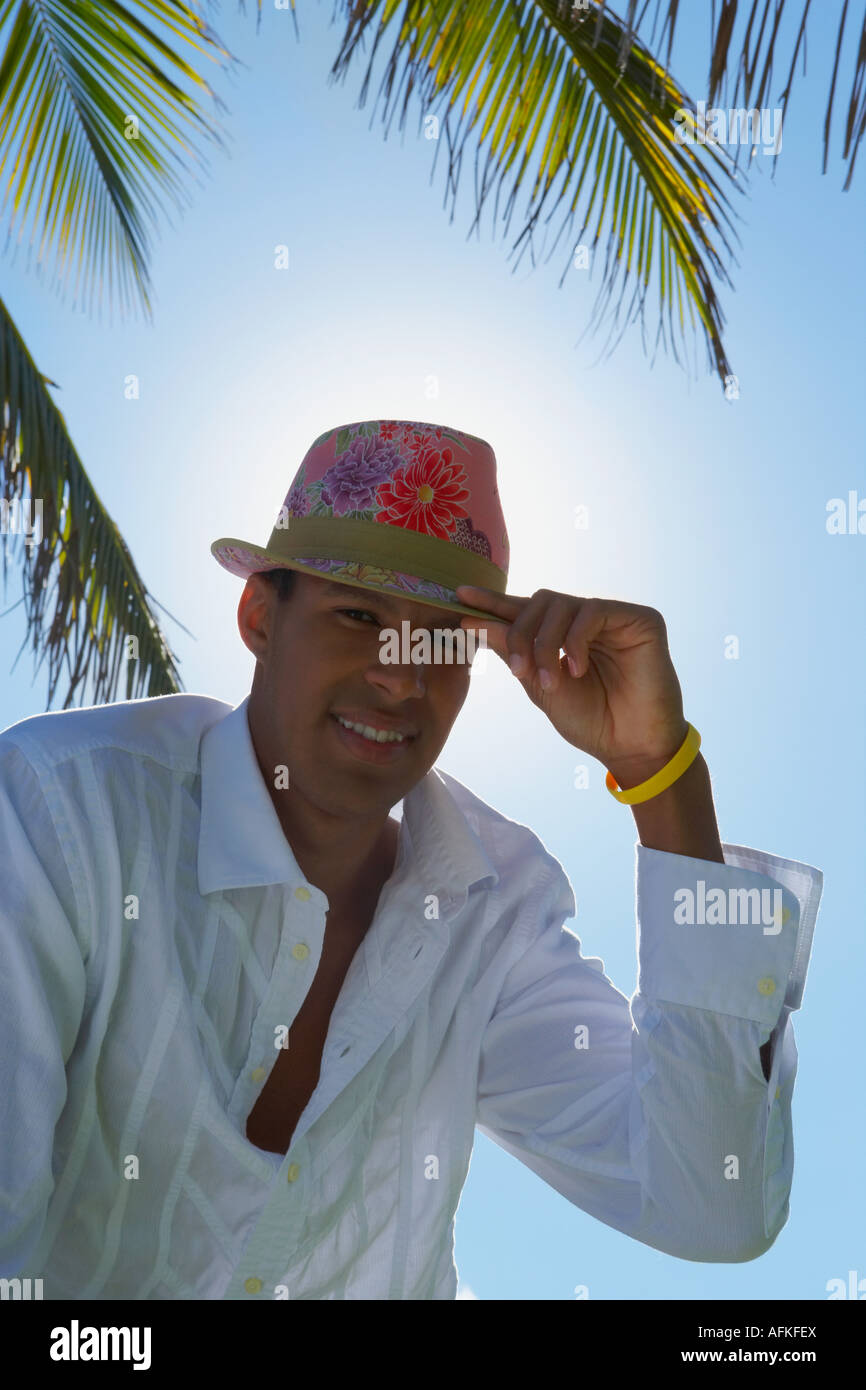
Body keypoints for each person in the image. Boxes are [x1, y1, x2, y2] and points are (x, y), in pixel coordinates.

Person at [0, 418, 823, 1300]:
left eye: (440, 640)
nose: (400, 675)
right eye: (358, 616)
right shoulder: (65, 810)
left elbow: (715, 1203)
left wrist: (663, 776)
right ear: (258, 619)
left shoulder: (493, 909)